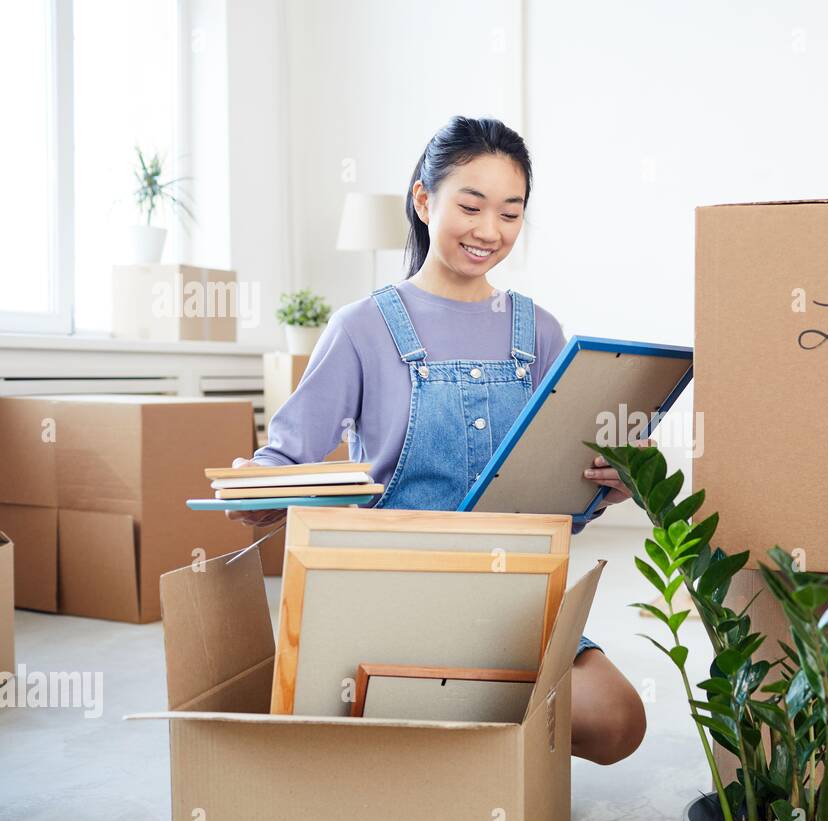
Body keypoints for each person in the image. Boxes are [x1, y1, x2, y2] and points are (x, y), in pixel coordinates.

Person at [229, 116, 646, 765]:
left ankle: (422, 720)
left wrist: (611, 485)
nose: (489, 231)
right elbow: (285, 458)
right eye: (471, 205)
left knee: (619, 718)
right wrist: (255, 485)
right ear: (425, 201)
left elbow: (563, 500)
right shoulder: (361, 328)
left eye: (510, 213)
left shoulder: (539, 332)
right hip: (396, 596)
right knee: (368, 697)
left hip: (514, 597)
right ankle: (434, 725)